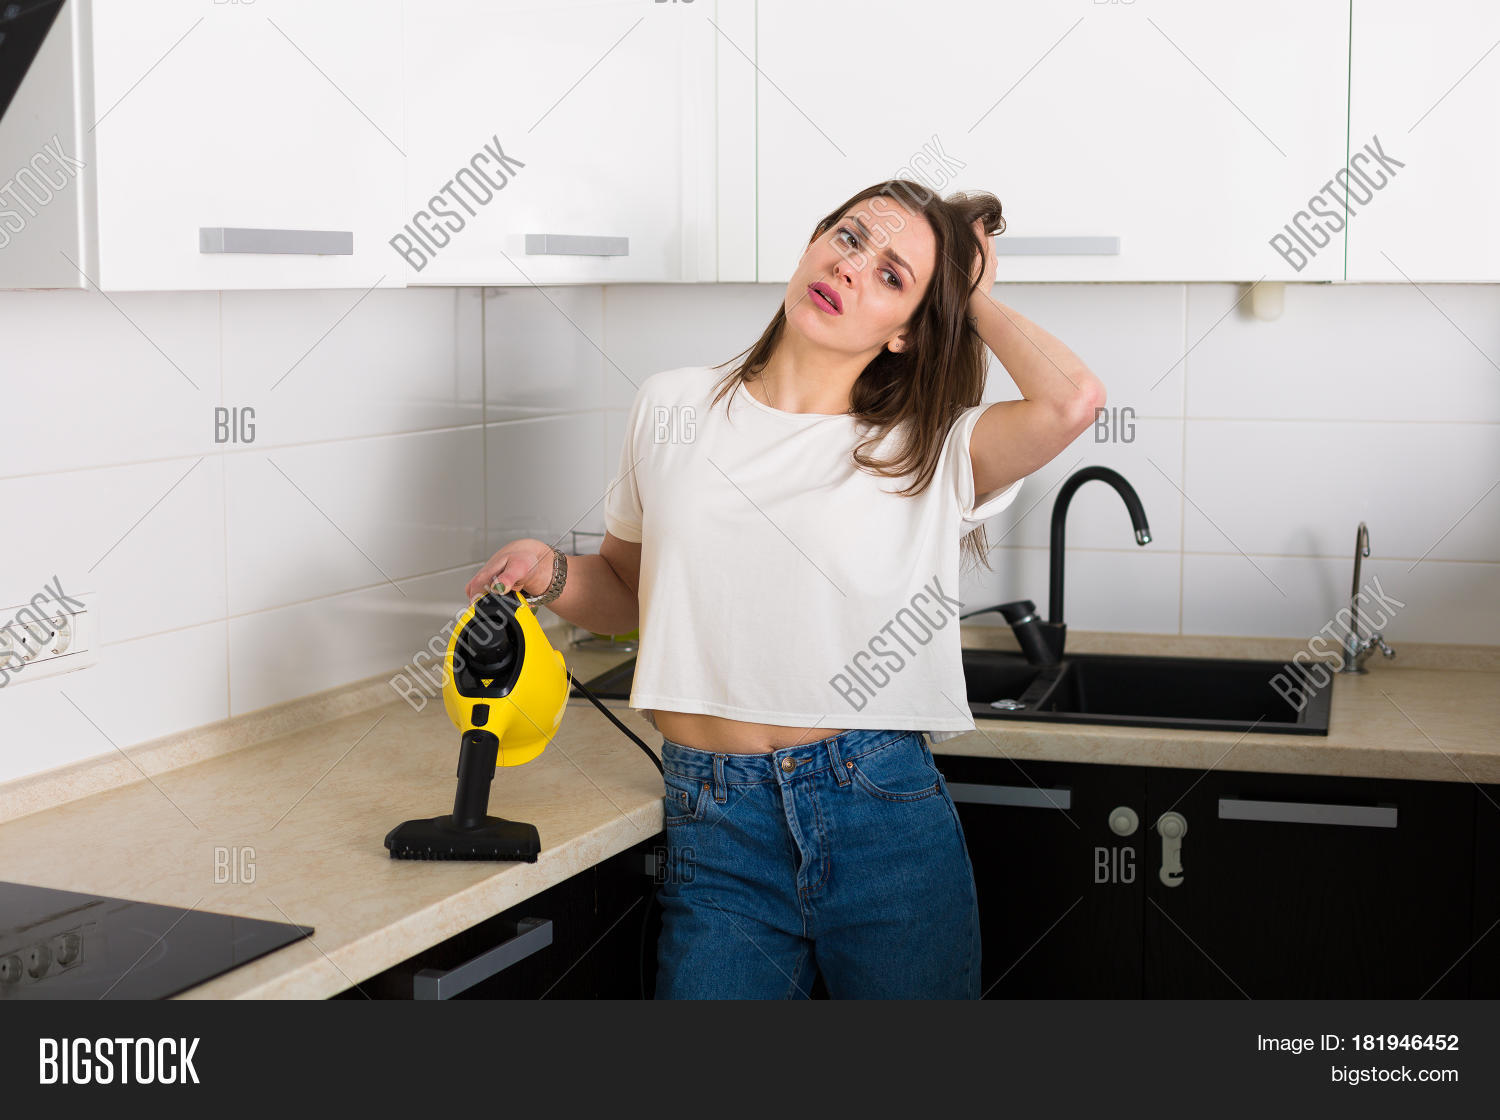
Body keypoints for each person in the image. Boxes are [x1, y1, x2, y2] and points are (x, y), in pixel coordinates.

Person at [465, 179, 1106, 999]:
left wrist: (972, 292)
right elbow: (630, 591)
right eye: (847, 238)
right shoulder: (673, 405)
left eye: (892, 276)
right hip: (713, 820)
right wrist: (548, 572)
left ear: (908, 332)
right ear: (811, 244)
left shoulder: (927, 444)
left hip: (878, 812)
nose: (851, 268)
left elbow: (1072, 399)